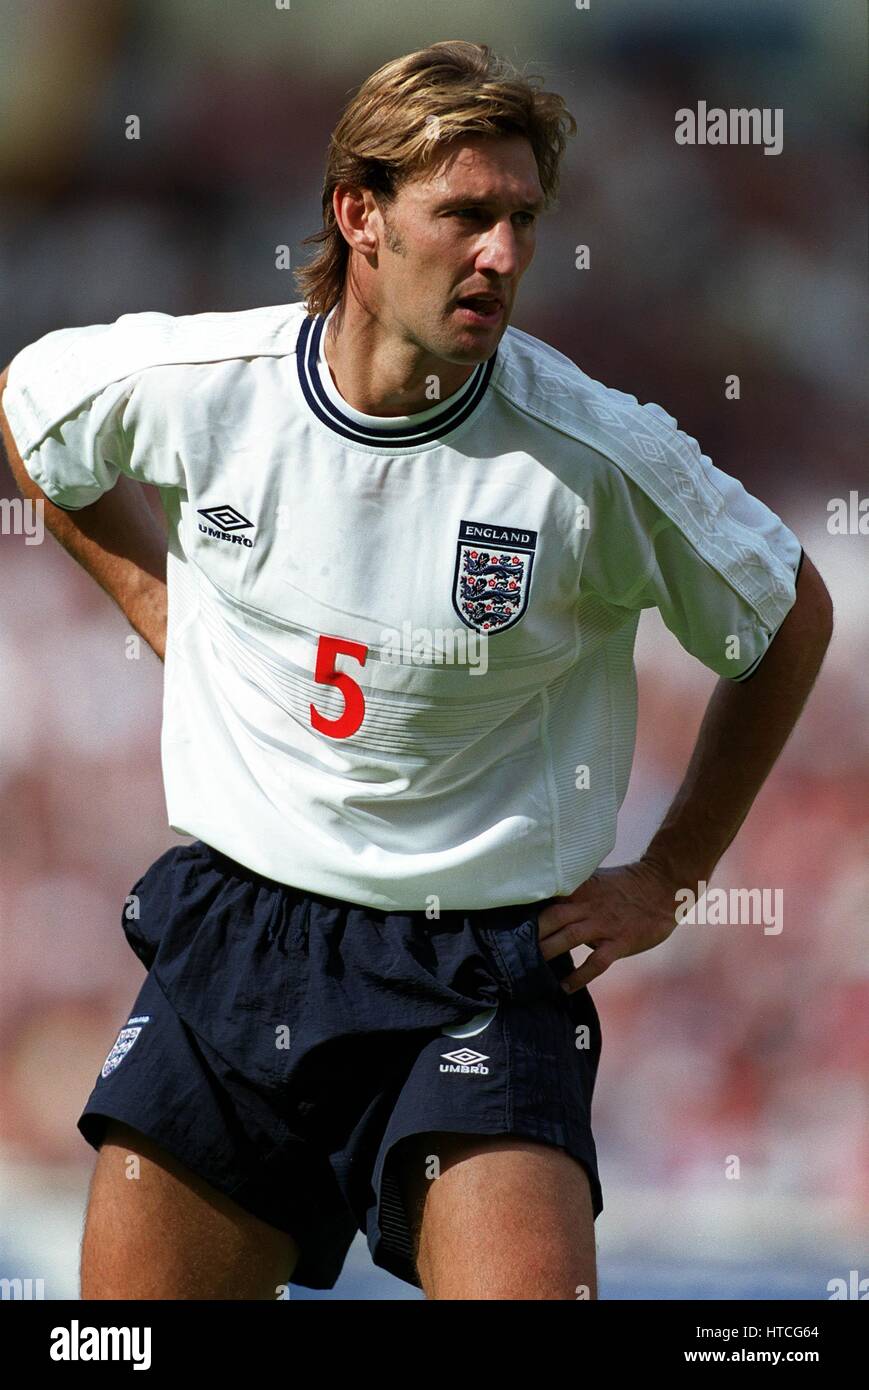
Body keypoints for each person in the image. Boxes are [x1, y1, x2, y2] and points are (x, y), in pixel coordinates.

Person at [0, 40, 833, 1300]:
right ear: (360, 216)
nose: (501, 253)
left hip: (481, 971)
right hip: (242, 932)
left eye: (521, 219)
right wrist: (149, 595)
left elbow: (784, 614)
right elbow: (30, 408)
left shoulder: (588, 455)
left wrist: (669, 875)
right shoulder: (204, 387)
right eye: (464, 214)